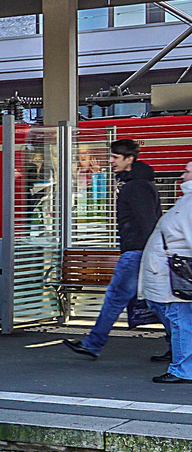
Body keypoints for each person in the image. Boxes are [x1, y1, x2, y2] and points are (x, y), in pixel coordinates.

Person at [64, 139, 160, 360]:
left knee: (116, 297)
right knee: (157, 303)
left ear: (129, 159)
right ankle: (176, 345)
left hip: (136, 252)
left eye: (115, 157)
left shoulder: (137, 186)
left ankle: (93, 343)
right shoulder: (137, 183)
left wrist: (147, 254)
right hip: (138, 251)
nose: (111, 161)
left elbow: (147, 223)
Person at [141, 160, 192, 383]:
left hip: (178, 274)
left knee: (180, 319)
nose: (182, 175)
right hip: (171, 273)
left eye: (188, 171)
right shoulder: (186, 200)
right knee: (177, 317)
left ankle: (183, 369)